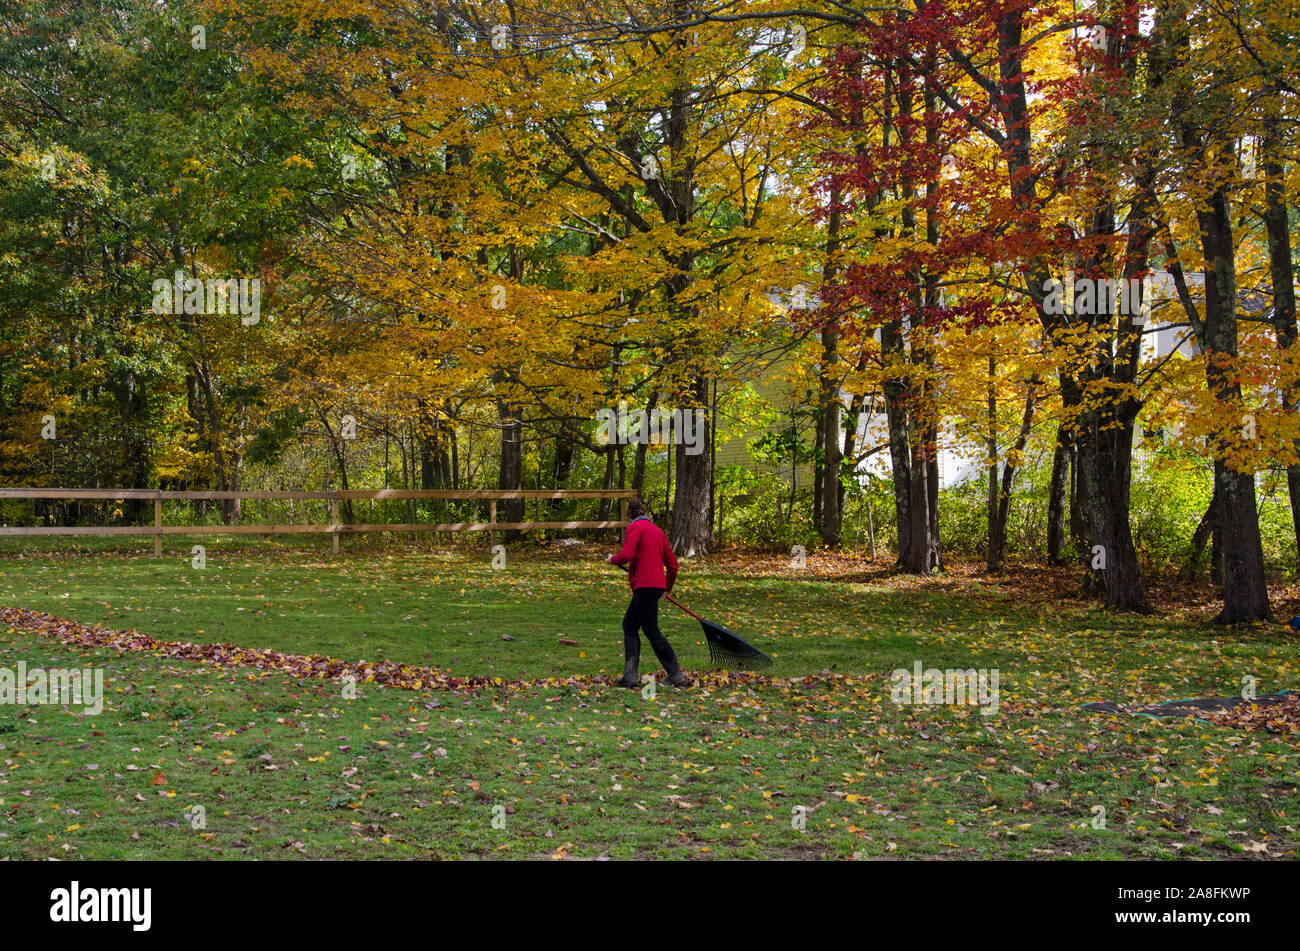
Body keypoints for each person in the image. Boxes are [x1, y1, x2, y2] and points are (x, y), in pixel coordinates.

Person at [606, 498, 689, 688]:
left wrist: (612, 560)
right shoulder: (659, 532)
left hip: (644, 586)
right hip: (653, 586)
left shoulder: (635, 528)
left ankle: (675, 675)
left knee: (652, 631)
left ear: (630, 516)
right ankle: (629, 676)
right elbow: (673, 565)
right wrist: (667, 588)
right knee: (629, 625)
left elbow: (626, 555)